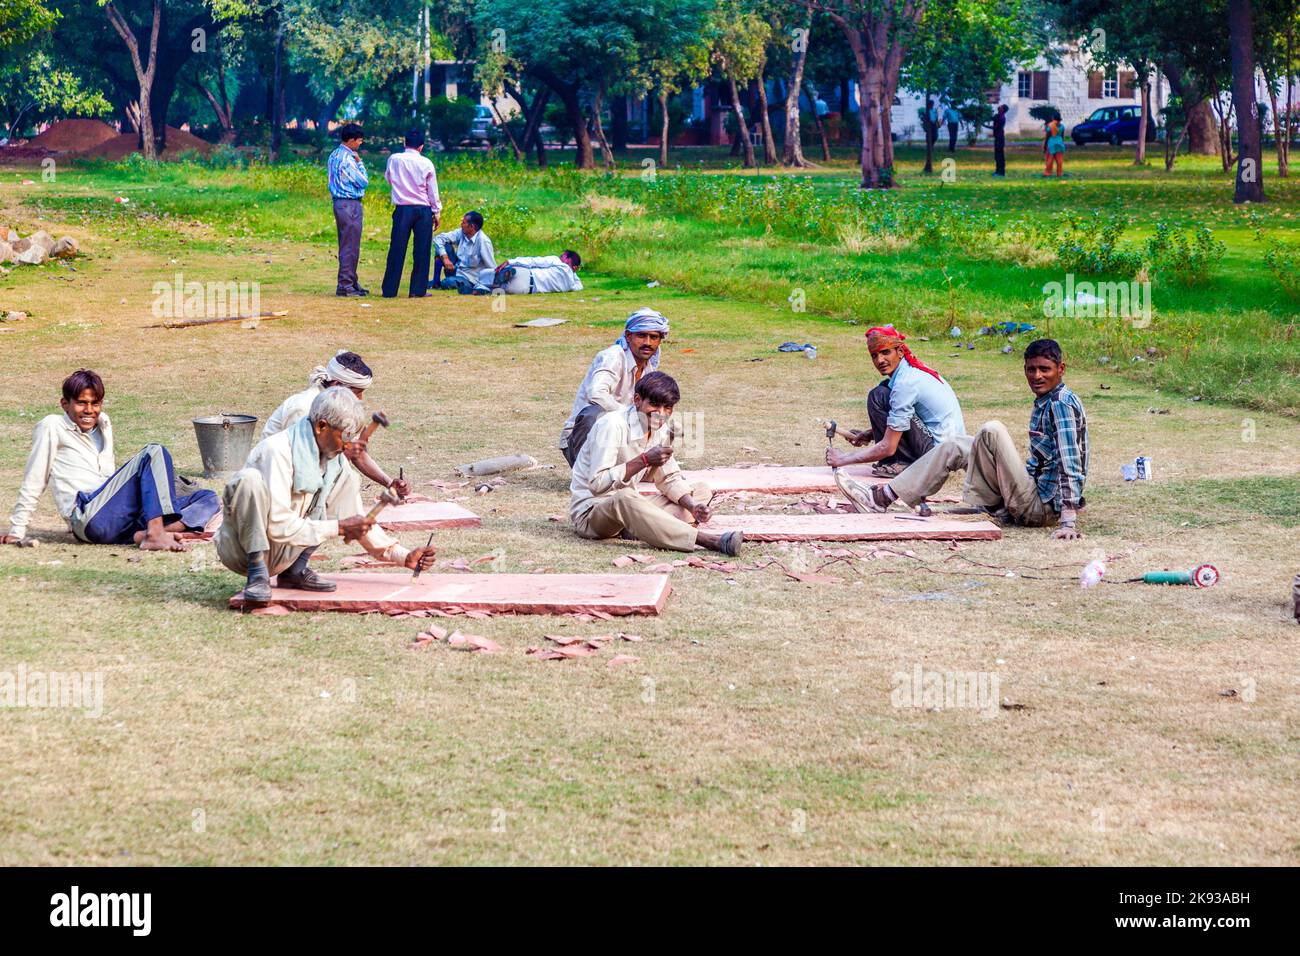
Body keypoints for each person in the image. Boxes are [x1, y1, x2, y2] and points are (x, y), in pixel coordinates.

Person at [216, 387, 436, 606]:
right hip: (241, 552)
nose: (349, 445)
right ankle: (257, 575)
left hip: (285, 551)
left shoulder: (335, 462)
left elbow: (356, 517)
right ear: (321, 426)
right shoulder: (276, 451)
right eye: (345, 436)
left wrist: (402, 556)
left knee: (343, 484)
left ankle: (295, 571)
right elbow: (277, 524)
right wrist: (338, 527)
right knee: (248, 481)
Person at [855, 339, 1088, 541]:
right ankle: (882, 498)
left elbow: (1071, 463)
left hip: (1041, 509)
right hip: (1030, 491)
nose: (1037, 376)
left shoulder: (1060, 405)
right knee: (958, 443)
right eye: (1031, 369)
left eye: (1045, 369)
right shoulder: (1048, 399)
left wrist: (1068, 520)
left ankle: (999, 506)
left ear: (1061, 369)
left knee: (992, 430)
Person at [2, 369, 219, 551]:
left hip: (117, 516)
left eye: (95, 403)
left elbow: (108, 477)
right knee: (154, 452)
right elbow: (35, 478)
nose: (89, 410)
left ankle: (145, 534)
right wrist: (17, 530)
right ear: (64, 404)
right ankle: (155, 534)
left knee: (207, 497)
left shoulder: (104, 423)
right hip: (89, 516)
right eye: (81, 403)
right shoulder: (52, 426)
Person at [570, 372, 741, 556]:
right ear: (637, 400)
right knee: (625, 498)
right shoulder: (612, 425)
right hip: (593, 514)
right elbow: (597, 484)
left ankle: (640, 526)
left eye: (667, 407)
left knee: (700, 490)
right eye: (654, 405)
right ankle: (709, 541)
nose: (661, 414)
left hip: (630, 507)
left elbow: (669, 478)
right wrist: (643, 461)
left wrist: (692, 506)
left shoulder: (660, 428)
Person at [261, 351, 410, 499]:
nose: (360, 398)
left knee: (349, 481)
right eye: (357, 392)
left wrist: (388, 482)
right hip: (278, 483)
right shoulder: (303, 407)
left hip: (308, 480)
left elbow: (355, 453)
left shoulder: (341, 406)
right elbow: (299, 464)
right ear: (337, 384)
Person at [826, 326, 965, 480]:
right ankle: (903, 461)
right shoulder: (908, 372)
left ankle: (902, 463)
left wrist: (842, 459)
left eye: (885, 352)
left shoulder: (905, 383)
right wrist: (870, 434)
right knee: (884, 388)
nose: (880, 360)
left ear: (900, 351)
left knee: (879, 395)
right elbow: (909, 418)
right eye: (874, 355)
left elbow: (888, 447)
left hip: (939, 457)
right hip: (947, 450)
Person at [560, 307, 668, 467]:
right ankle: (587, 475)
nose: (647, 342)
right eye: (641, 336)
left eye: (653, 337)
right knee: (593, 413)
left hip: (618, 437)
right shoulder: (613, 356)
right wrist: (631, 417)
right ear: (628, 335)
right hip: (583, 439)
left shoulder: (649, 368)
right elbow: (596, 394)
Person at [381, 129, 440, 298]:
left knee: (397, 249)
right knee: (422, 250)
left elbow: (389, 178)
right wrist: (436, 211)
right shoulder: (427, 163)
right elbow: (432, 190)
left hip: (403, 208)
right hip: (423, 209)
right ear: (421, 147)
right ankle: (417, 290)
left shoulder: (394, 159)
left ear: (404, 143)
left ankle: (390, 290)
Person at [327, 122, 369, 296]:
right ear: (351, 140)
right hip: (349, 203)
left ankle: (351, 280)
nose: (360, 144)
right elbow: (363, 181)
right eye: (359, 141)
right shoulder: (347, 159)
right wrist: (360, 163)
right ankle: (345, 285)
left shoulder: (334, 155)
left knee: (348, 243)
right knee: (350, 245)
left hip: (340, 203)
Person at [430, 211, 496, 295]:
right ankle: (435, 282)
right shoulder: (461, 232)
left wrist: (488, 285)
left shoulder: (483, 241)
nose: (461, 224)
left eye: (463, 222)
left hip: (470, 278)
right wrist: (445, 258)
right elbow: (438, 239)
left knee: (447, 282)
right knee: (442, 247)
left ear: (472, 226)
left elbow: (491, 266)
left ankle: (463, 286)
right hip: (454, 268)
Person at [492, 250, 582, 294]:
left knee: (512, 268)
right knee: (498, 289)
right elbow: (580, 286)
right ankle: (491, 288)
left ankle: (505, 273)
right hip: (524, 290)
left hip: (526, 276)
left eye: (562, 255)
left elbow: (534, 261)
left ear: (567, 257)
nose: (560, 257)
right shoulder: (571, 285)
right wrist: (573, 271)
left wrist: (509, 261)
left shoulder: (556, 261)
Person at [1043, 113, 1065, 178]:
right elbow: (1062, 136)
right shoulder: (1062, 126)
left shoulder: (1050, 126)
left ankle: (1048, 173)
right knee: (1059, 160)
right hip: (1060, 144)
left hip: (1051, 144)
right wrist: (1061, 142)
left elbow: (1047, 136)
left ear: (1053, 118)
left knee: (1049, 159)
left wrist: (1045, 145)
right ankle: (1059, 173)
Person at [990, 104, 1008, 176]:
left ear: (1003, 110)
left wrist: (984, 125)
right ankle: (997, 171)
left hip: (999, 138)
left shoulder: (1001, 118)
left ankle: (1001, 172)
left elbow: (995, 127)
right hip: (997, 137)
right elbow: (991, 118)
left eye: (1001, 107)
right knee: (997, 155)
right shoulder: (997, 115)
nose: (999, 107)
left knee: (999, 155)